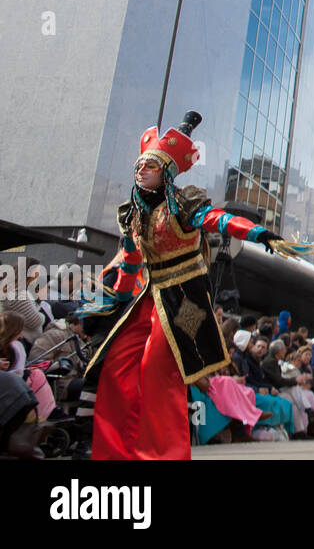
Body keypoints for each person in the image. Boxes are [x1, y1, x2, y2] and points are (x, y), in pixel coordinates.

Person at [75, 111, 301, 459]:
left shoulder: (183, 203)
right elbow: (132, 262)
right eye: (140, 165)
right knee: (116, 364)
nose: (141, 170)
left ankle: (162, 454)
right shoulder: (133, 213)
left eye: (150, 166)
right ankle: (114, 453)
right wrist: (112, 303)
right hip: (148, 298)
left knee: (156, 372)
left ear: (165, 172)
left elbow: (218, 219)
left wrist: (258, 233)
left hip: (183, 300)